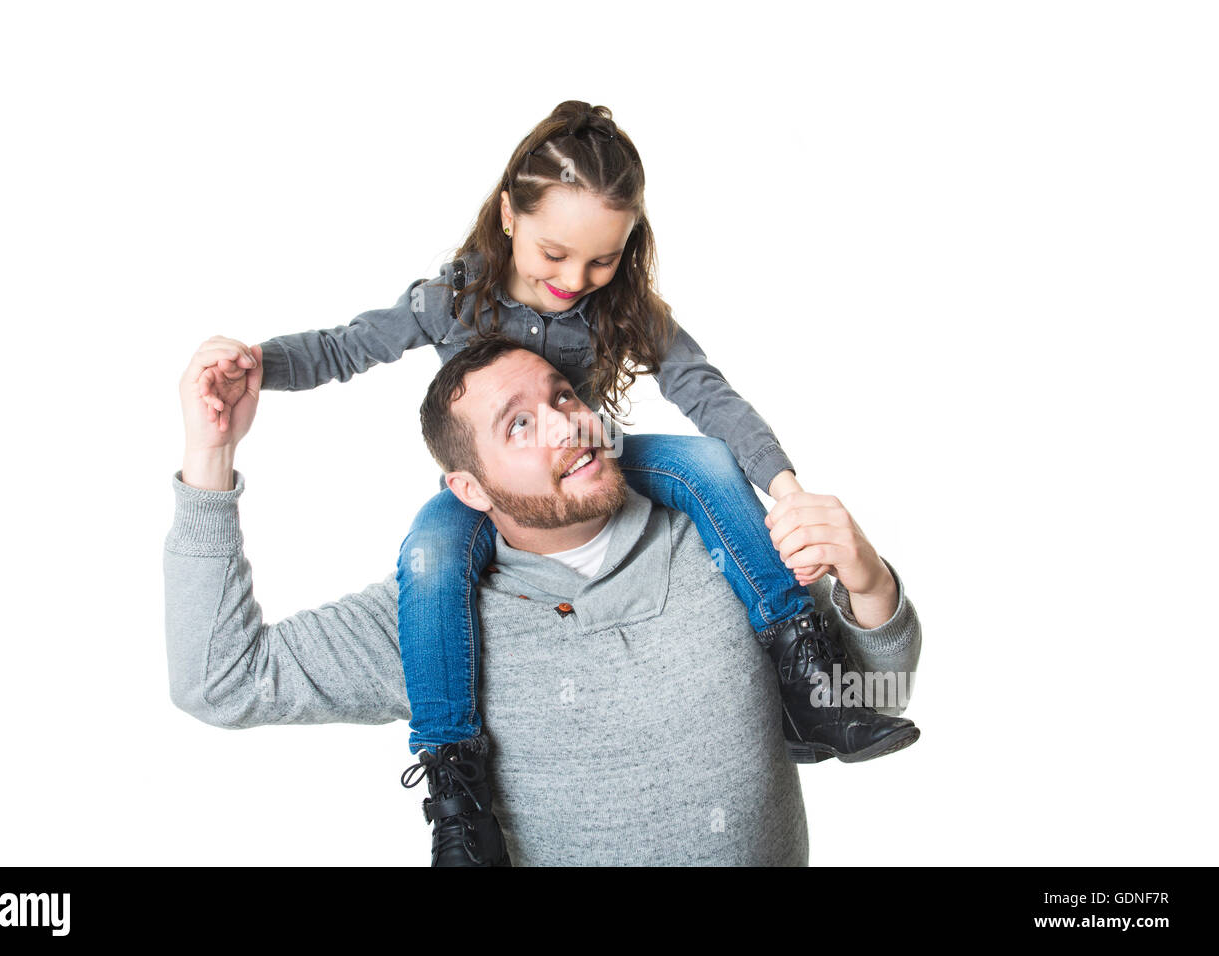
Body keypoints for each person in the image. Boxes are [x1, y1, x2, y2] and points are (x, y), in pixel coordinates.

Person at [194, 100, 918, 865]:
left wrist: (795, 496)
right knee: (430, 555)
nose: (575, 281)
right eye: (554, 254)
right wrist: (258, 366)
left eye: (601, 261)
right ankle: (455, 789)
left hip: (604, 457)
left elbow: (709, 396)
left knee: (705, 461)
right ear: (509, 213)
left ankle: (802, 659)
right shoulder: (451, 300)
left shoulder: (627, 314)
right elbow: (348, 347)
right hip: (484, 505)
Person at [167, 335, 922, 866]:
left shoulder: (725, 540)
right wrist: (211, 458)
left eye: (564, 395)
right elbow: (220, 680)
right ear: (468, 489)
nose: (568, 424)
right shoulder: (434, 621)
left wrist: (867, 582)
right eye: (520, 425)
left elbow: (878, 696)